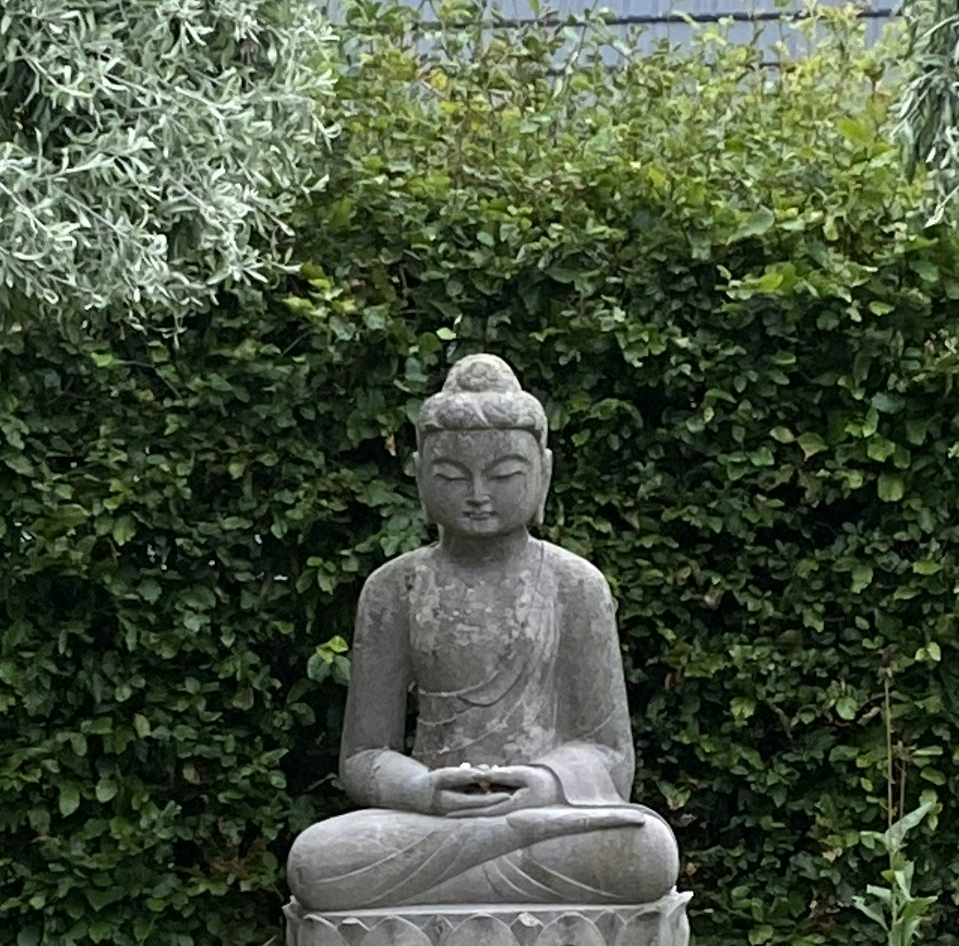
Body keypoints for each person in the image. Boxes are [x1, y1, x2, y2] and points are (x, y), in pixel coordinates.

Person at [286, 354, 680, 916]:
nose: (477, 493)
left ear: (542, 473)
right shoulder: (394, 588)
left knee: (646, 855)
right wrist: (423, 790)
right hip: (427, 819)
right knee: (316, 861)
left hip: (545, 817)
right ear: (422, 475)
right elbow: (365, 755)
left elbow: (611, 754)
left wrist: (541, 785)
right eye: (452, 476)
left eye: (503, 476)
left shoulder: (576, 585)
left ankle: (448, 904)